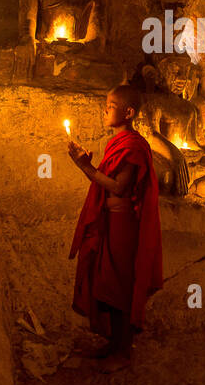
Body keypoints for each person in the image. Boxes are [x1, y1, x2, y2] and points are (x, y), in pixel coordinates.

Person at [67, 84, 163, 370]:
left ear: (129, 112)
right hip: (111, 221)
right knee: (105, 282)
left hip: (124, 226)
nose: (105, 110)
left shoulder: (133, 145)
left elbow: (120, 188)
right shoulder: (115, 142)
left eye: (110, 105)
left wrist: (86, 168)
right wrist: (85, 163)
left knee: (120, 286)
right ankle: (112, 343)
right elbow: (105, 182)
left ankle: (123, 352)